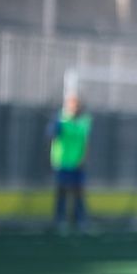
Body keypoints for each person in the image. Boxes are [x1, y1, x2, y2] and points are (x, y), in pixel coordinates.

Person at [49, 92, 91, 233]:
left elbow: (85, 142)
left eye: (75, 105)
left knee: (78, 193)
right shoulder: (60, 121)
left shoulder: (84, 122)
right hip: (62, 162)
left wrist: (83, 158)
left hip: (77, 164)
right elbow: (51, 135)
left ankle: (80, 219)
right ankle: (60, 220)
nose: (73, 108)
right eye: (71, 105)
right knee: (62, 191)